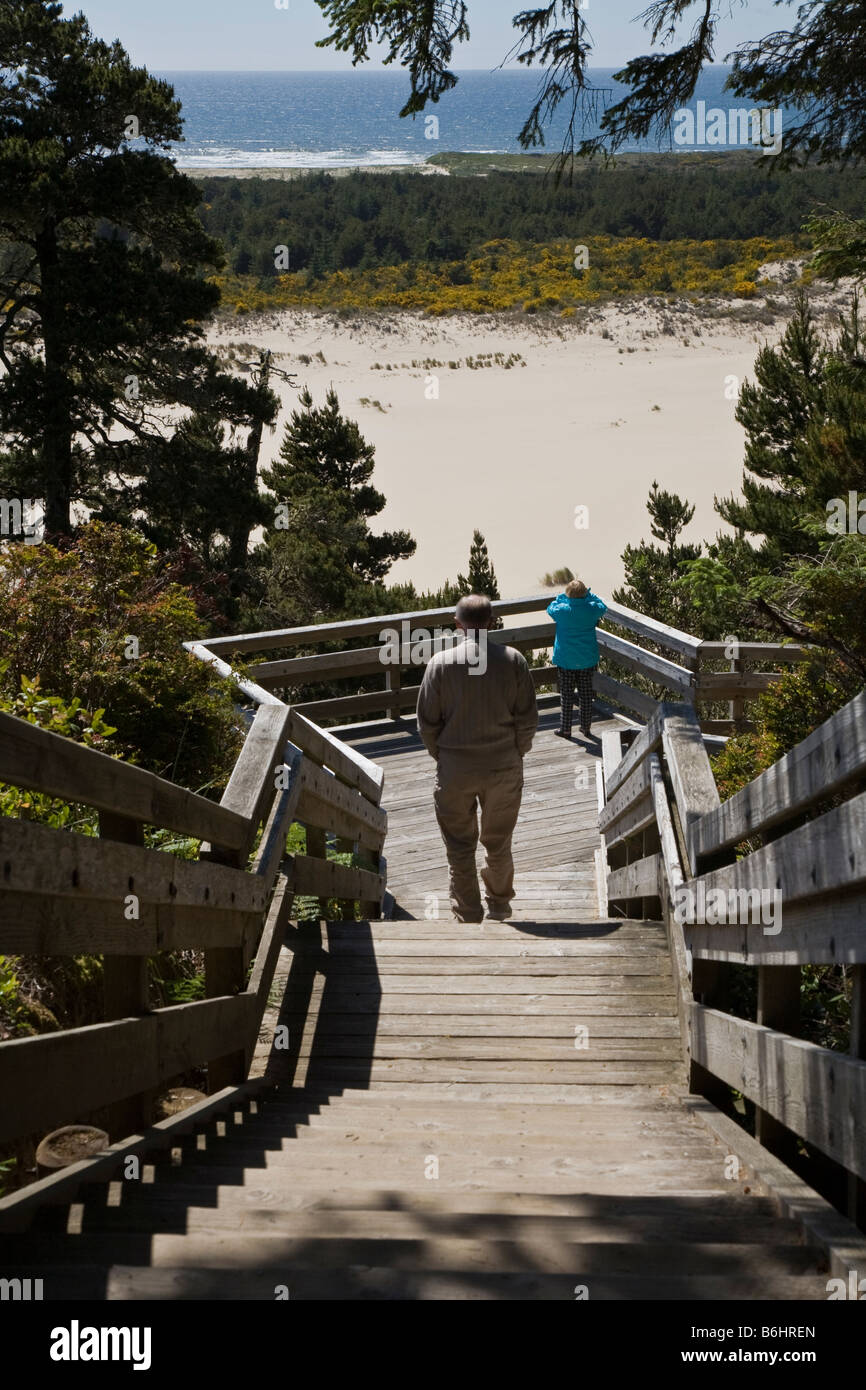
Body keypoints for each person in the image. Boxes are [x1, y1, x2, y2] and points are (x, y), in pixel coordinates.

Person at [416, 593, 538, 923]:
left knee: (458, 845)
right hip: (503, 765)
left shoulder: (439, 664)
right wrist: (517, 751)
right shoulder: (513, 661)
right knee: (498, 842)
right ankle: (499, 906)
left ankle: (467, 913)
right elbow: (528, 720)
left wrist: (442, 756)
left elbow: (427, 723)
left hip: (455, 768)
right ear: (491, 622)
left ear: (457, 625)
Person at [547, 579, 607, 740]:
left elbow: (550, 608)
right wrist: (589, 596)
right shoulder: (591, 609)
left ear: (568, 595)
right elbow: (602, 606)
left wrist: (563, 597)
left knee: (566, 695)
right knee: (586, 696)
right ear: (584, 594)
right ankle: (585, 728)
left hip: (566, 660)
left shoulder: (562, 610)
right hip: (587, 660)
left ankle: (565, 729)